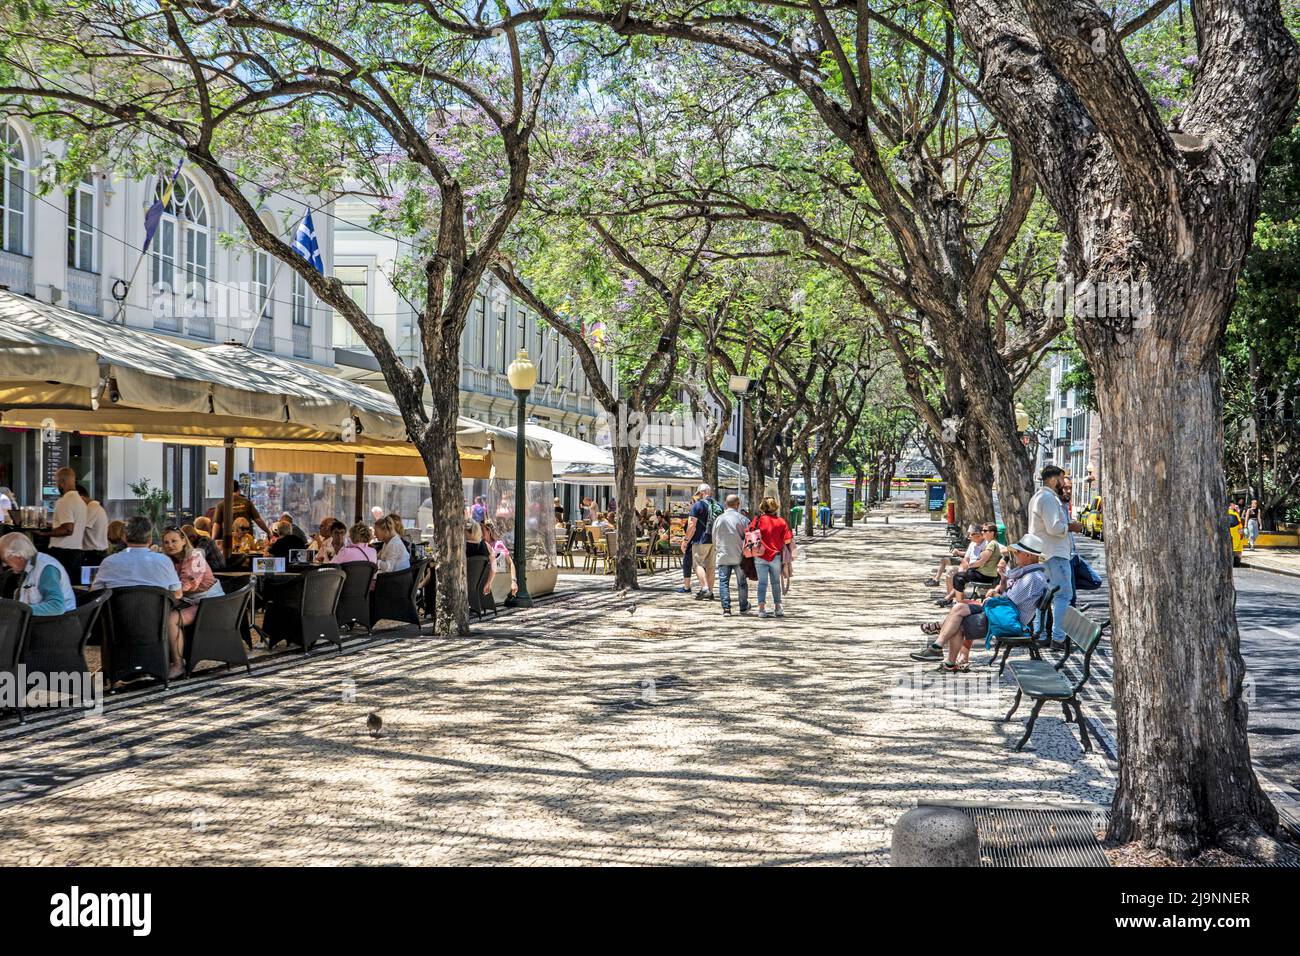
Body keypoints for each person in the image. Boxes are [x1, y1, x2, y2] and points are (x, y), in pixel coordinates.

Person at [912, 533, 1048, 672]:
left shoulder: (1032, 577)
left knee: (959, 618)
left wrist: (994, 594)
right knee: (959, 608)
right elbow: (1009, 597)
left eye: (1018, 552)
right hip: (1003, 612)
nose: (1015, 554)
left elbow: (1010, 600)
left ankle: (940, 646)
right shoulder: (1028, 573)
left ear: (1028, 555)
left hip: (1008, 619)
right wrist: (1002, 581)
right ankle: (942, 654)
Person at [91, 516, 185, 679]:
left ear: (124, 537)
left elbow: (96, 593)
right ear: (149, 539)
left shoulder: (109, 562)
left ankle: (109, 668)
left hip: (120, 627)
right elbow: (177, 593)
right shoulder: (163, 561)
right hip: (155, 626)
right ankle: (175, 664)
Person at [1027, 465, 1078, 647]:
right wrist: (1071, 527)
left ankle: (1040, 634)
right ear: (1053, 478)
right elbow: (1054, 527)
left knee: (1045, 596)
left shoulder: (1038, 497)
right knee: (1064, 595)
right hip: (1054, 554)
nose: (1063, 483)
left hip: (1044, 553)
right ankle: (1058, 637)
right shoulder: (1048, 498)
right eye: (1062, 479)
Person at [160, 527, 223, 629]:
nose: (170, 545)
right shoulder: (171, 560)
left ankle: (177, 645)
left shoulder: (195, 557)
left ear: (184, 541)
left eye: (174, 541)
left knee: (170, 620)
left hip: (209, 603)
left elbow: (183, 588)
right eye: (166, 542)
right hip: (190, 601)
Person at [0, 531, 75, 616]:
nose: (4, 565)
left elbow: (57, 606)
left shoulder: (46, 569)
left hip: (57, 624)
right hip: (41, 622)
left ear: (18, 556)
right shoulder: (29, 566)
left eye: (5, 560)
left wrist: (19, 609)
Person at [42, 467, 87, 580]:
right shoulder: (81, 502)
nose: (56, 485)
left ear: (62, 482)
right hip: (77, 551)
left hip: (62, 552)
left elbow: (67, 529)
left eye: (56, 482)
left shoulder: (64, 501)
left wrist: (43, 534)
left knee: (59, 584)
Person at [752, 497, 793, 618]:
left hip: (760, 555)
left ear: (762, 507)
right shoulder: (781, 521)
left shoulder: (758, 520)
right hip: (776, 556)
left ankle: (761, 609)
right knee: (775, 582)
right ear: (775, 507)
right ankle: (778, 607)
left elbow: (750, 533)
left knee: (762, 583)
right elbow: (788, 539)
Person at [941, 523, 1001, 605]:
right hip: (982, 572)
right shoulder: (990, 543)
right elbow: (970, 559)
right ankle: (957, 601)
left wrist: (970, 565)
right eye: (982, 530)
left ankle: (959, 603)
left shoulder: (991, 544)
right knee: (958, 576)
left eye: (985, 531)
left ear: (992, 533)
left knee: (958, 578)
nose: (982, 532)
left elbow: (982, 561)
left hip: (986, 575)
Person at [711, 494, 751, 617]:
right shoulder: (743, 519)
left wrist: (716, 548)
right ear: (738, 505)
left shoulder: (719, 519)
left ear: (725, 504)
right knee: (742, 582)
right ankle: (743, 607)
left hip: (723, 554)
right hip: (739, 555)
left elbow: (714, 536)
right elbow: (749, 537)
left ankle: (726, 608)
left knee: (723, 582)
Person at [683, 483, 720, 600]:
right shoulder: (718, 506)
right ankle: (710, 591)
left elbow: (691, 525)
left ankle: (704, 588)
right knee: (711, 567)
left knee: (697, 564)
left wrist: (686, 540)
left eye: (698, 494)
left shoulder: (697, 505)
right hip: (714, 540)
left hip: (700, 539)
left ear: (701, 493)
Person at [482, 519, 518, 598]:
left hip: (494, 587)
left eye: (482, 530)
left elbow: (510, 563)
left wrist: (513, 581)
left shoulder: (498, 545)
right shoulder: (480, 544)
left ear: (489, 531)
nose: (480, 532)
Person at [78, 485, 109, 568]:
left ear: (81, 497)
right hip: (95, 553)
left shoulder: (92, 508)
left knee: (88, 580)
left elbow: (79, 527)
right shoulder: (95, 507)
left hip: (93, 554)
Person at [465, 519, 495, 595]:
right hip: (479, 587)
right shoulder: (487, 546)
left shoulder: (462, 547)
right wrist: (488, 583)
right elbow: (494, 569)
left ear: (468, 532)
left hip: (462, 585)